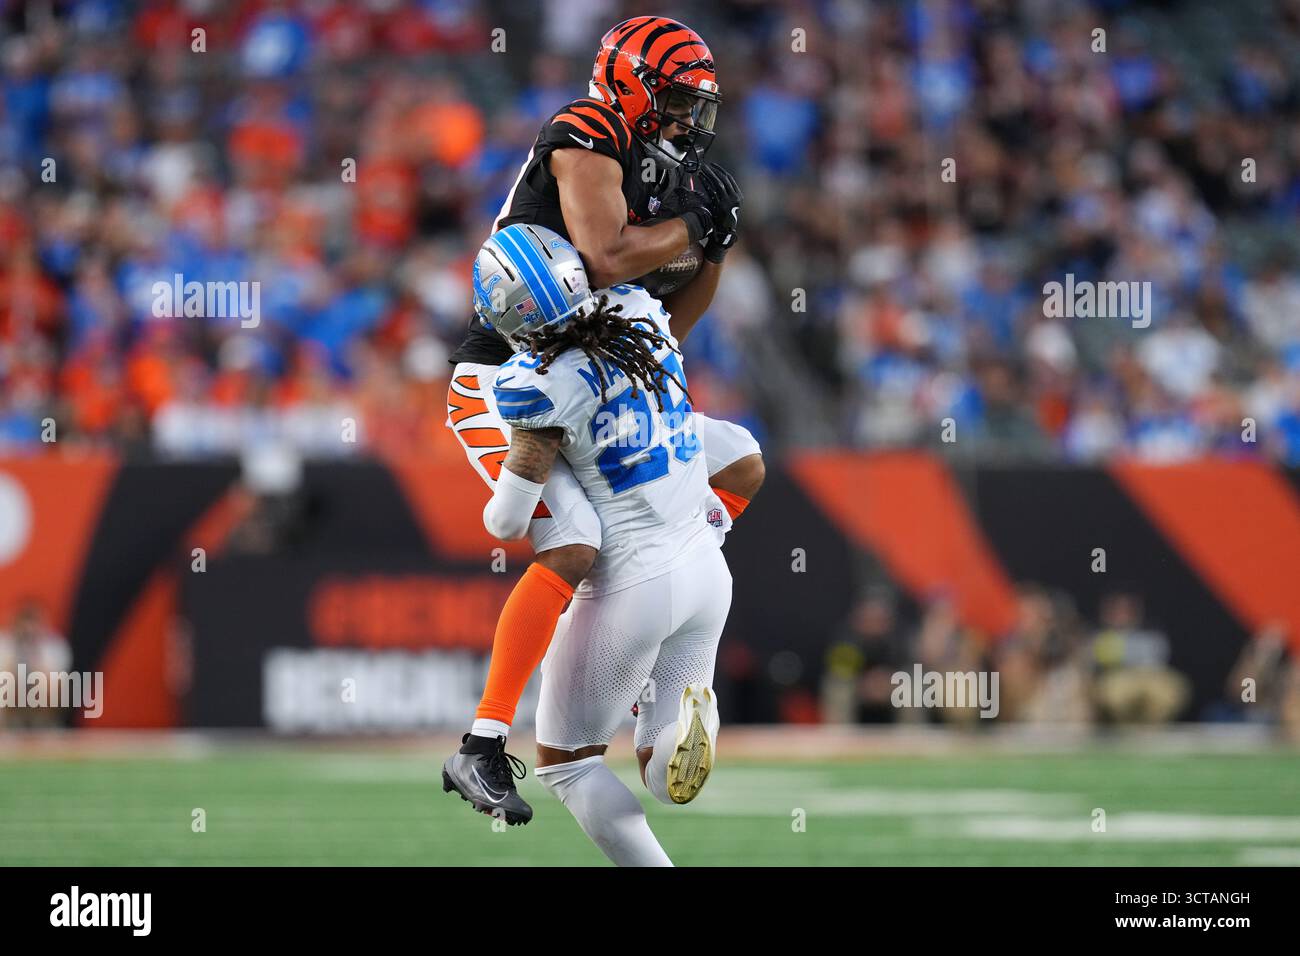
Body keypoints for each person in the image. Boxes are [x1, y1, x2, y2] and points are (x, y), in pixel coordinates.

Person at [440, 16, 763, 824]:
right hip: (504, 377)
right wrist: (692, 227)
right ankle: (480, 745)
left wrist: (712, 250)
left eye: (698, 107)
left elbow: (662, 324)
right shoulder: (586, 130)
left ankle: (663, 619)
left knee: (736, 464)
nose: (689, 122)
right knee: (575, 539)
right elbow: (607, 253)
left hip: (591, 368)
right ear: (630, 85)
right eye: (677, 102)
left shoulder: (659, 164)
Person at [444, 223, 731, 865]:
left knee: (567, 766)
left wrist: (508, 470)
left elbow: (509, 522)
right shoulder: (638, 311)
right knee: (660, 765)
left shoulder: (536, 383)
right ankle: (690, 727)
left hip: (633, 583)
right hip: (706, 570)